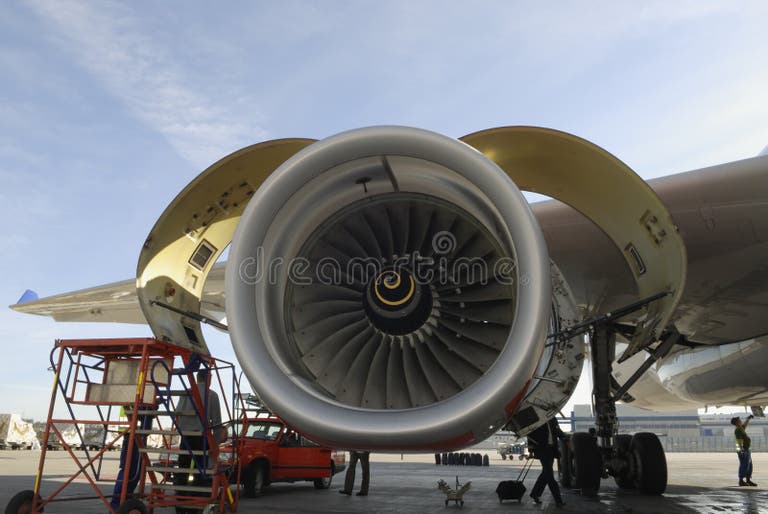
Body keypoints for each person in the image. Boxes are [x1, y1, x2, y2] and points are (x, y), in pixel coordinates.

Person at [174, 369, 222, 513]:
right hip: (202, 437)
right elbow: (217, 423)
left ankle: (180, 501)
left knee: (182, 468)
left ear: (197, 377)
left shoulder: (186, 392)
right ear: (209, 378)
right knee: (200, 471)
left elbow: (177, 414)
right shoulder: (212, 395)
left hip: (186, 436)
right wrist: (216, 443)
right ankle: (196, 502)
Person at [527, 418, 565, 507]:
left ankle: (535, 494)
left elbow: (557, 430)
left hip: (551, 450)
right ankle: (558, 500)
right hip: (542, 450)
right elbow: (530, 434)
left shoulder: (552, 418)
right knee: (549, 475)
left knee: (546, 474)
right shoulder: (537, 419)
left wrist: (565, 438)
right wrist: (531, 450)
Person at [731, 415, 757, 487]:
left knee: (749, 465)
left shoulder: (740, 428)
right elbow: (739, 440)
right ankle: (741, 481)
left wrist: (748, 419)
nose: (741, 421)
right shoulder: (738, 430)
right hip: (743, 450)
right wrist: (742, 449)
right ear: (737, 422)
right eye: (739, 420)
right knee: (744, 465)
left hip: (746, 449)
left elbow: (745, 425)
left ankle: (748, 480)